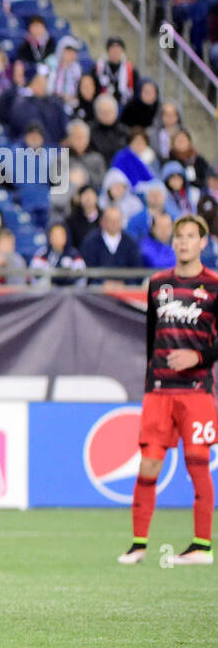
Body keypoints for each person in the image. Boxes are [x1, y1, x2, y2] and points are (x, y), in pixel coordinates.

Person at [121, 214, 218, 566]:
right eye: (179, 236)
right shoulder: (158, 283)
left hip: (196, 392)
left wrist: (198, 356)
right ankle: (138, 544)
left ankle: (201, 546)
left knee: (198, 466)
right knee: (148, 466)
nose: (184, 242)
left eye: (191, 236)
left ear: (203, 243)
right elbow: (151, 336)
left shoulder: (214, 286)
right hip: (159, 392)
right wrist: (151, 378)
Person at [80, 205, 144, 270]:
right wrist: (102, 280)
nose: (114, 224)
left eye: (117, 220)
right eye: (110, 220)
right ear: (102, 221)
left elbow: (137, 268)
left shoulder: (131, 242)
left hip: (125, 280)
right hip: (98, 279)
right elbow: (88, 267)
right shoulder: (90, 241)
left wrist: (124, 280)